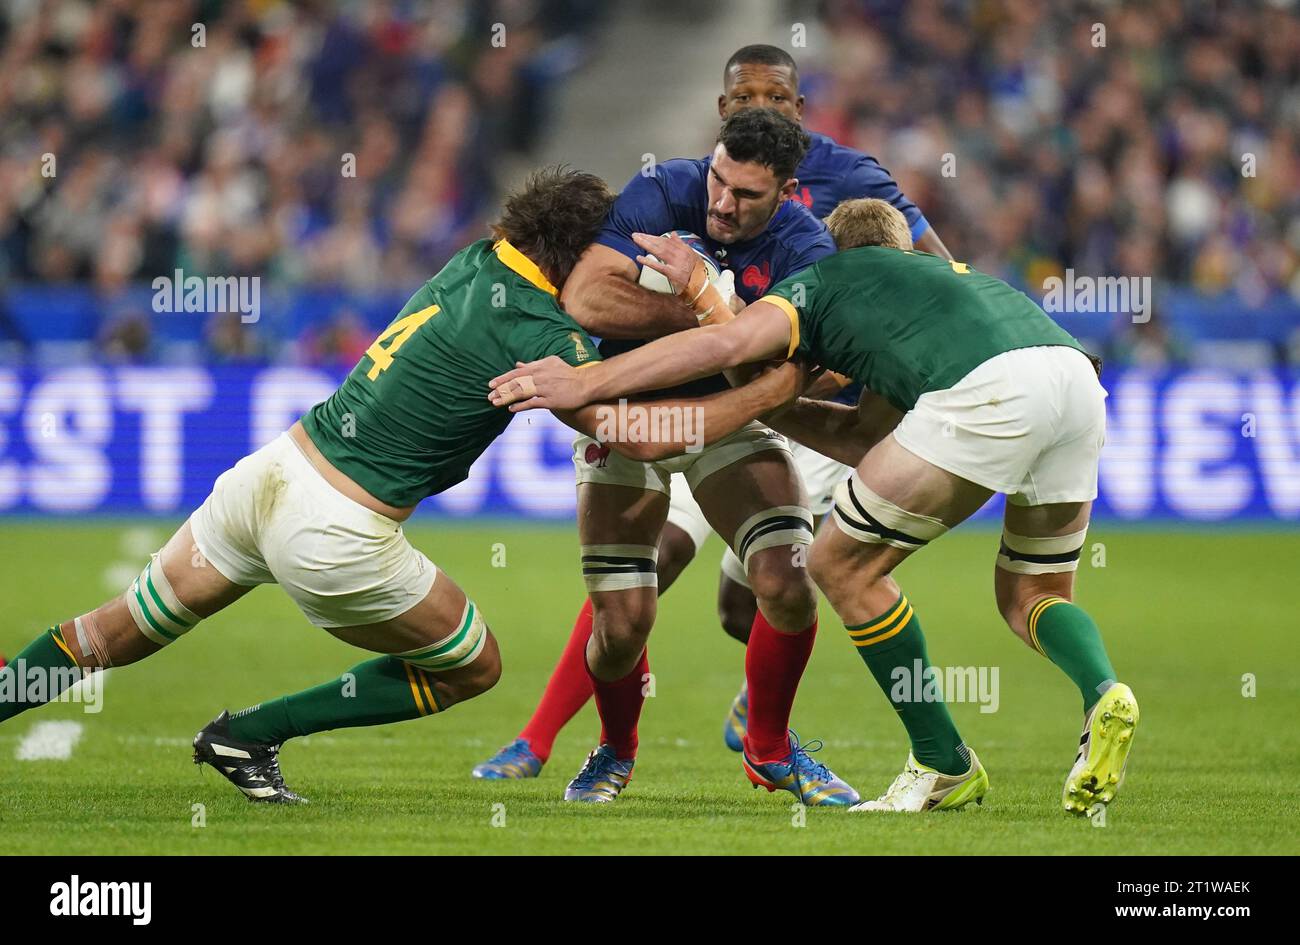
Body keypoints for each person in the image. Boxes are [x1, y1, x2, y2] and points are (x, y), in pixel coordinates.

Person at [0, 167, 800, 804]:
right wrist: (763, 388)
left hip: (267, 474)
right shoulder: (537, 331)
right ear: (578, 251)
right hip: (335, 530)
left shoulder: (474, 261)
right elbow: (636, 433)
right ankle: (250, 732)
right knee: (473, 665)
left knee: (111, 631)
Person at [490, 198, 1139, 817]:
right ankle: (1104, 690)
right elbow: (860, 435)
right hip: (1075, 379)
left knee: (838, 565)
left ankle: (941, 760)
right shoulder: (948, 282)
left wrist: (600, 375)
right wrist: (773, 406)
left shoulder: (825, 279)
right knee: (1033, 592)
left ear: (833, 249)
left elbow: (728, 345)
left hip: (987, 392)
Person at [475, 42, 954, 783]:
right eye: (719, 184)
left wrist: (716, 309)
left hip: (732, 418)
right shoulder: (664, 188)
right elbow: (589, 298)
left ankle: (768, 748)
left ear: (787, 188)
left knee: (784, 584)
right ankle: (610, 748)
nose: (723, 205)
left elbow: (806, 367)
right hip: (631, 412)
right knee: (623, 622)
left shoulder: (816, 231)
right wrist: (722, 319)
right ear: (720, 119)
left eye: (745, 195)